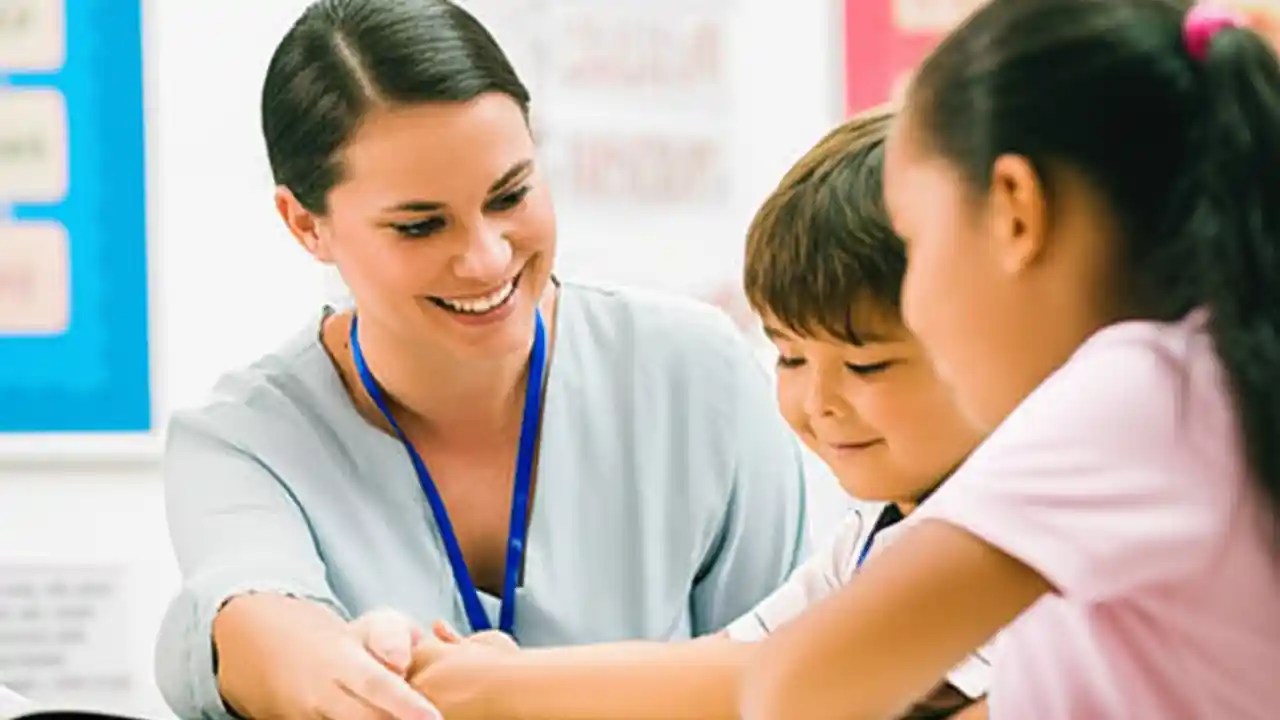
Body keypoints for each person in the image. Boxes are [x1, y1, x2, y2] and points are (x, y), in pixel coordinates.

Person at [153, 1, 807, 718]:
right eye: (420, 225)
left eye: (512, 194)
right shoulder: (241, 441)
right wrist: (345, 677)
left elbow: (802, 670)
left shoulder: (698, 376)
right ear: (306, 224)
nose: (487, 257)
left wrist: (511, 693)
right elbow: (259, 627)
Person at [742, 1, 1280, 718]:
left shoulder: (1136, 393)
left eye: (918, 239)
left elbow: (794, 690)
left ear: (1016, 211)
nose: (919, 307)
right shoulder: (1216, 374)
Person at [403, 108, 994, 720]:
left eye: (866, 367)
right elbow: (725, 662)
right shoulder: (870, 541)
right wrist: (504, 677)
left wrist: (508, 688)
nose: (819, 402)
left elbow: (782, 680)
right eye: (790, 359)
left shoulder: (1013, 534)